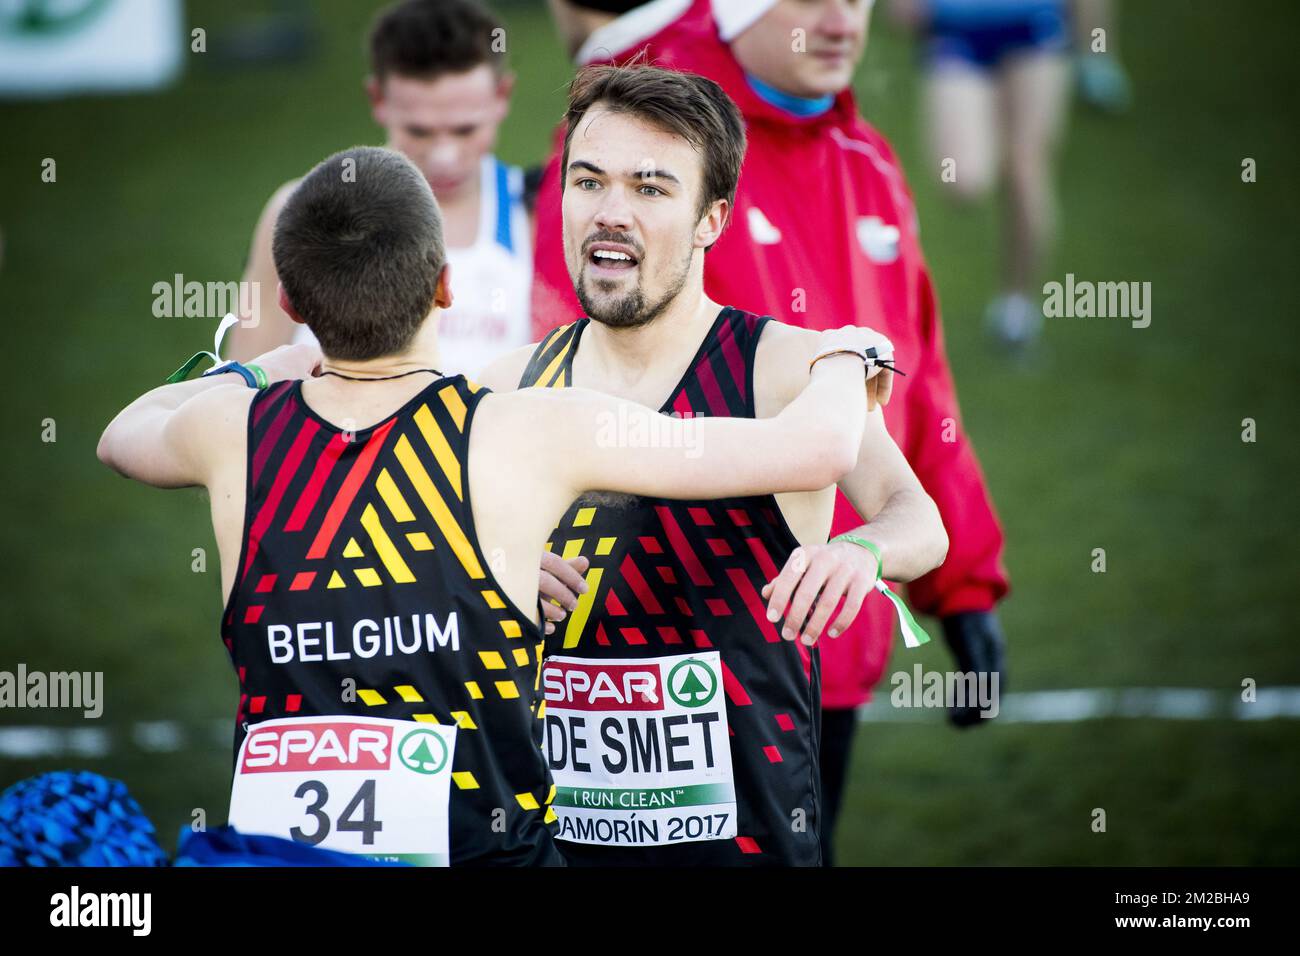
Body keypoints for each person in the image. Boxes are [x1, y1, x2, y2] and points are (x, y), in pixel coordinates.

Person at [97, 145, 883, 865]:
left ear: (296, 305)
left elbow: (121, 432)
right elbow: (815, 450)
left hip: (282, 856)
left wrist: (262, 367)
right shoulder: (525, 424)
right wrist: (848, 355)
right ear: (446, 283)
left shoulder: (230, 430)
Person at [535, 0, 1010, 865]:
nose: (840, 20)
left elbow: (920, 393)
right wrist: (487, 560)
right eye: (590, 183)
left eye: (648, 190)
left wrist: (953, 581)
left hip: (800, 655)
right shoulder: (522, 377)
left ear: (710, 216)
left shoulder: (858, 182)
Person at [225, 0, 533, 377]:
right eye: (418, 131)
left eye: (465, 129)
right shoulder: (301, 210)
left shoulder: (539, 213)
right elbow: (243, 383)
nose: (444, 157)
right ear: (378, 100)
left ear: (502, 95)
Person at [889, 0, 1073, 351]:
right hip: (955, 24)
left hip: (1034, 21)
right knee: (963, 181)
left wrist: (1099, 41)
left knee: (1027, 170)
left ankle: (1017, 310)